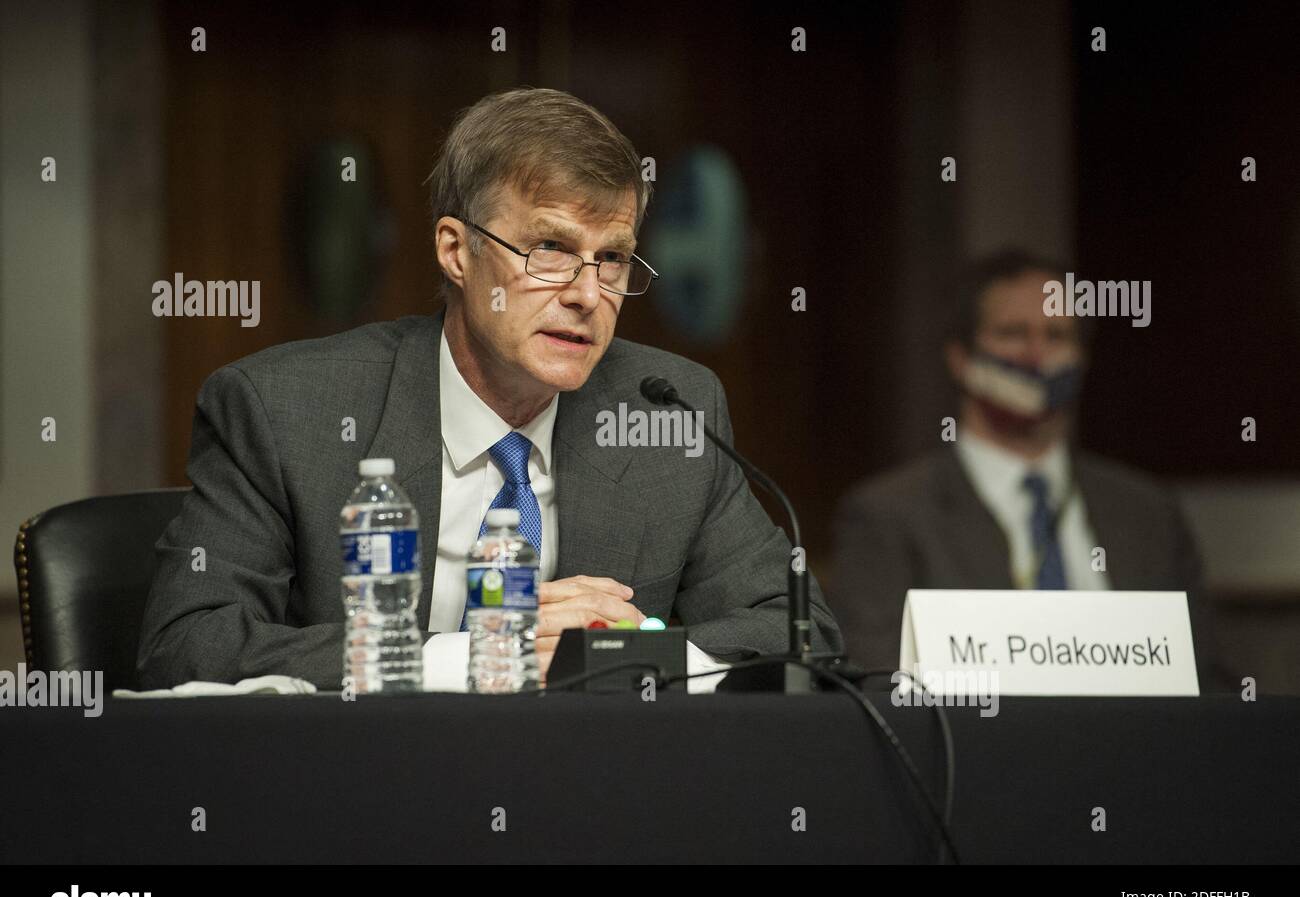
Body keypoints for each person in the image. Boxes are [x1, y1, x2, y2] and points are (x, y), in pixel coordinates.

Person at [137, 87, 840, 690]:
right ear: (455, 250)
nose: (588, 295)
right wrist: (474, 658)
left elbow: (800, 633)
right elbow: (186, 647)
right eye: (551, 250)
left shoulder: (666, 412)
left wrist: (625, 652)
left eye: (614, 259)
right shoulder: (285, 411)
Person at [829, 249, 1218, 687]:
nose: (1037, 355)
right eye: (1013, 333)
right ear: (961, 358)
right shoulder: (889, 516)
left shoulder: (1147, 512)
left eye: (1057, 336)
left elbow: (1202, 677)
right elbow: (877, 683)